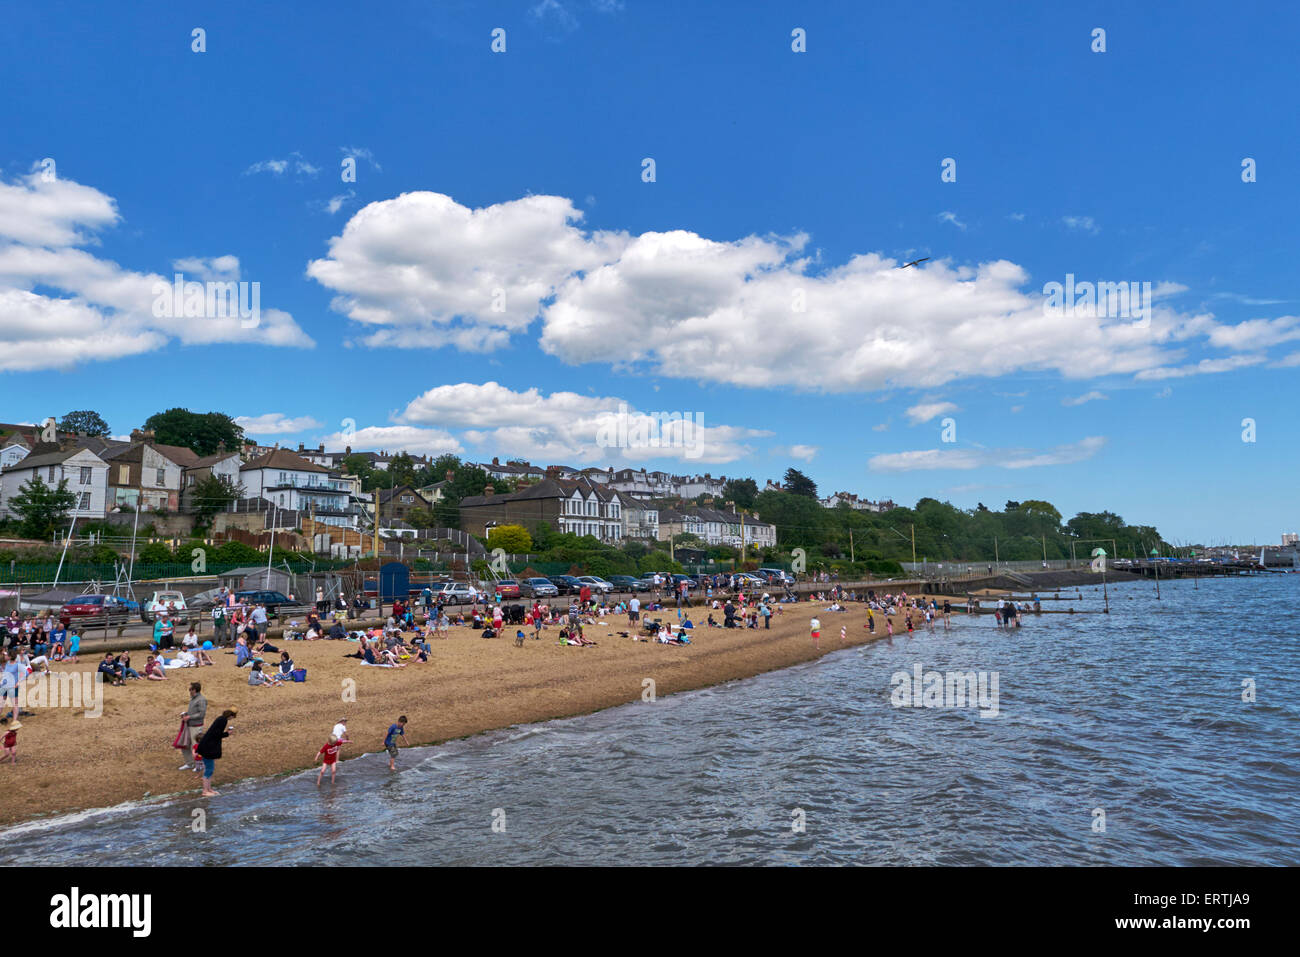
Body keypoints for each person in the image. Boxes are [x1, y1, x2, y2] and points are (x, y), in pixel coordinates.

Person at [195, 707, 237, 796]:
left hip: (206, 747)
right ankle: (205, 791)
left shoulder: (220, 718)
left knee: (210, 769)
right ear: (230, 716)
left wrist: (226, 733)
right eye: (233, 717)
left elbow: (215, 733)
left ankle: (209, 789)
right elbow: (216, 734)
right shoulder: (223, 720)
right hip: (208, 748)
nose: (232, 719)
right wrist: (227, 733)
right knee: (209, 770)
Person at [179, 682, 207, 770]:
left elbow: (202, 714)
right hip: (189, 725)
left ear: (194, 690)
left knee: (196, 747)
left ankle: (200, 765)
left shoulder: (201, 700)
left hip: (196, 726)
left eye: (190, 689)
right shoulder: (193, 699)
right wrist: (186, 715)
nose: (189, 691)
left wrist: (189, 717)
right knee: (185, 745)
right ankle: (190, 763)